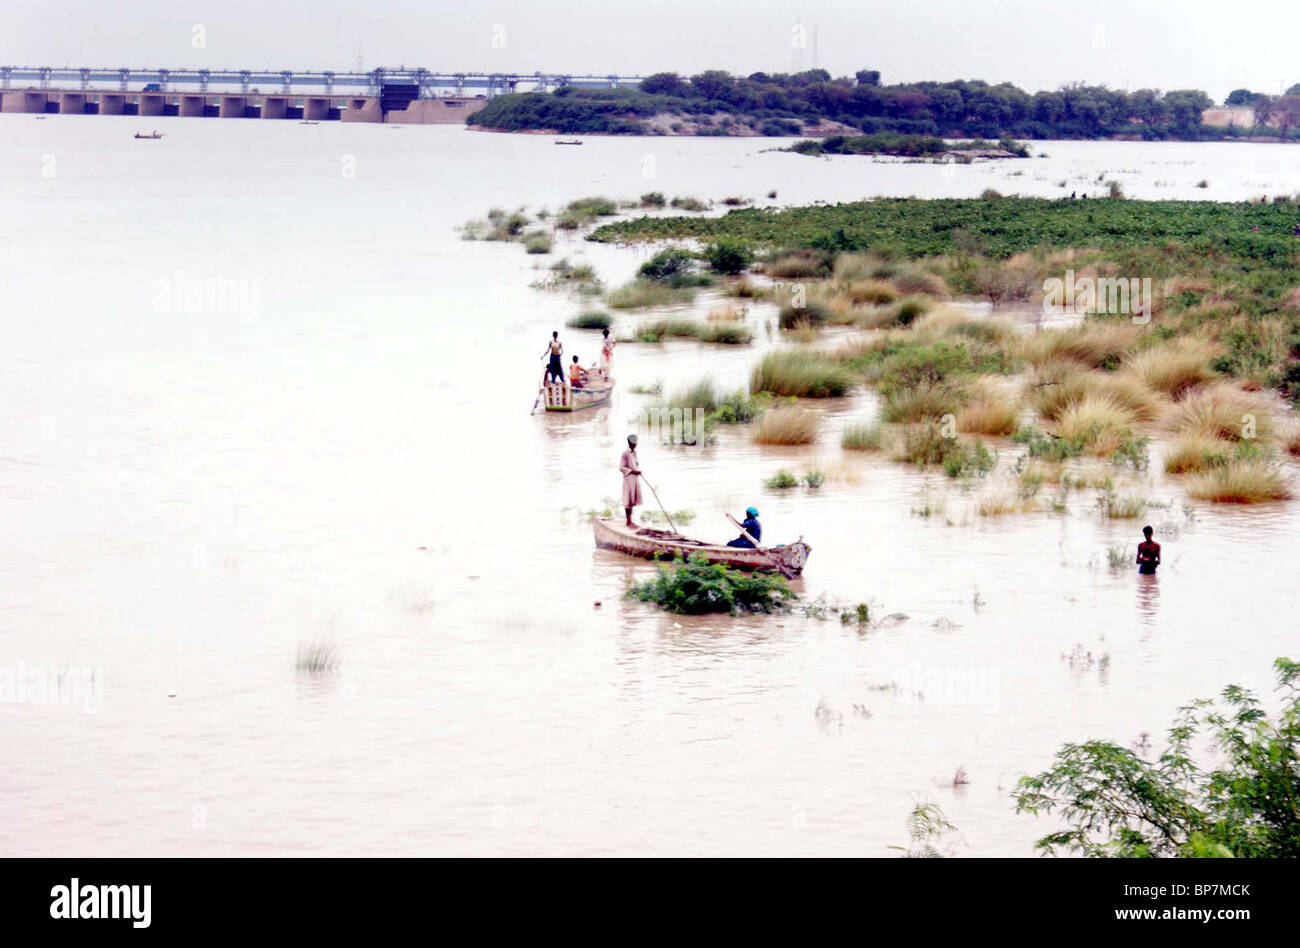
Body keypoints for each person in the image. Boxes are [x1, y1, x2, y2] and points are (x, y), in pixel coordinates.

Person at [620, 434, 642, 527]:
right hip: (628, 479)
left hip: (635, 480)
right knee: (628, 500)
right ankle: (628, 521)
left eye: (636, 443)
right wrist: (634, 471)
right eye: (633, 443)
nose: (635, 444)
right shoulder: (625, 453)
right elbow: (621, 467)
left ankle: (630, 521)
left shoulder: (634, 453)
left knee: (633, 499)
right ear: (630, 443)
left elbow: (635, 464)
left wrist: (637, 472)